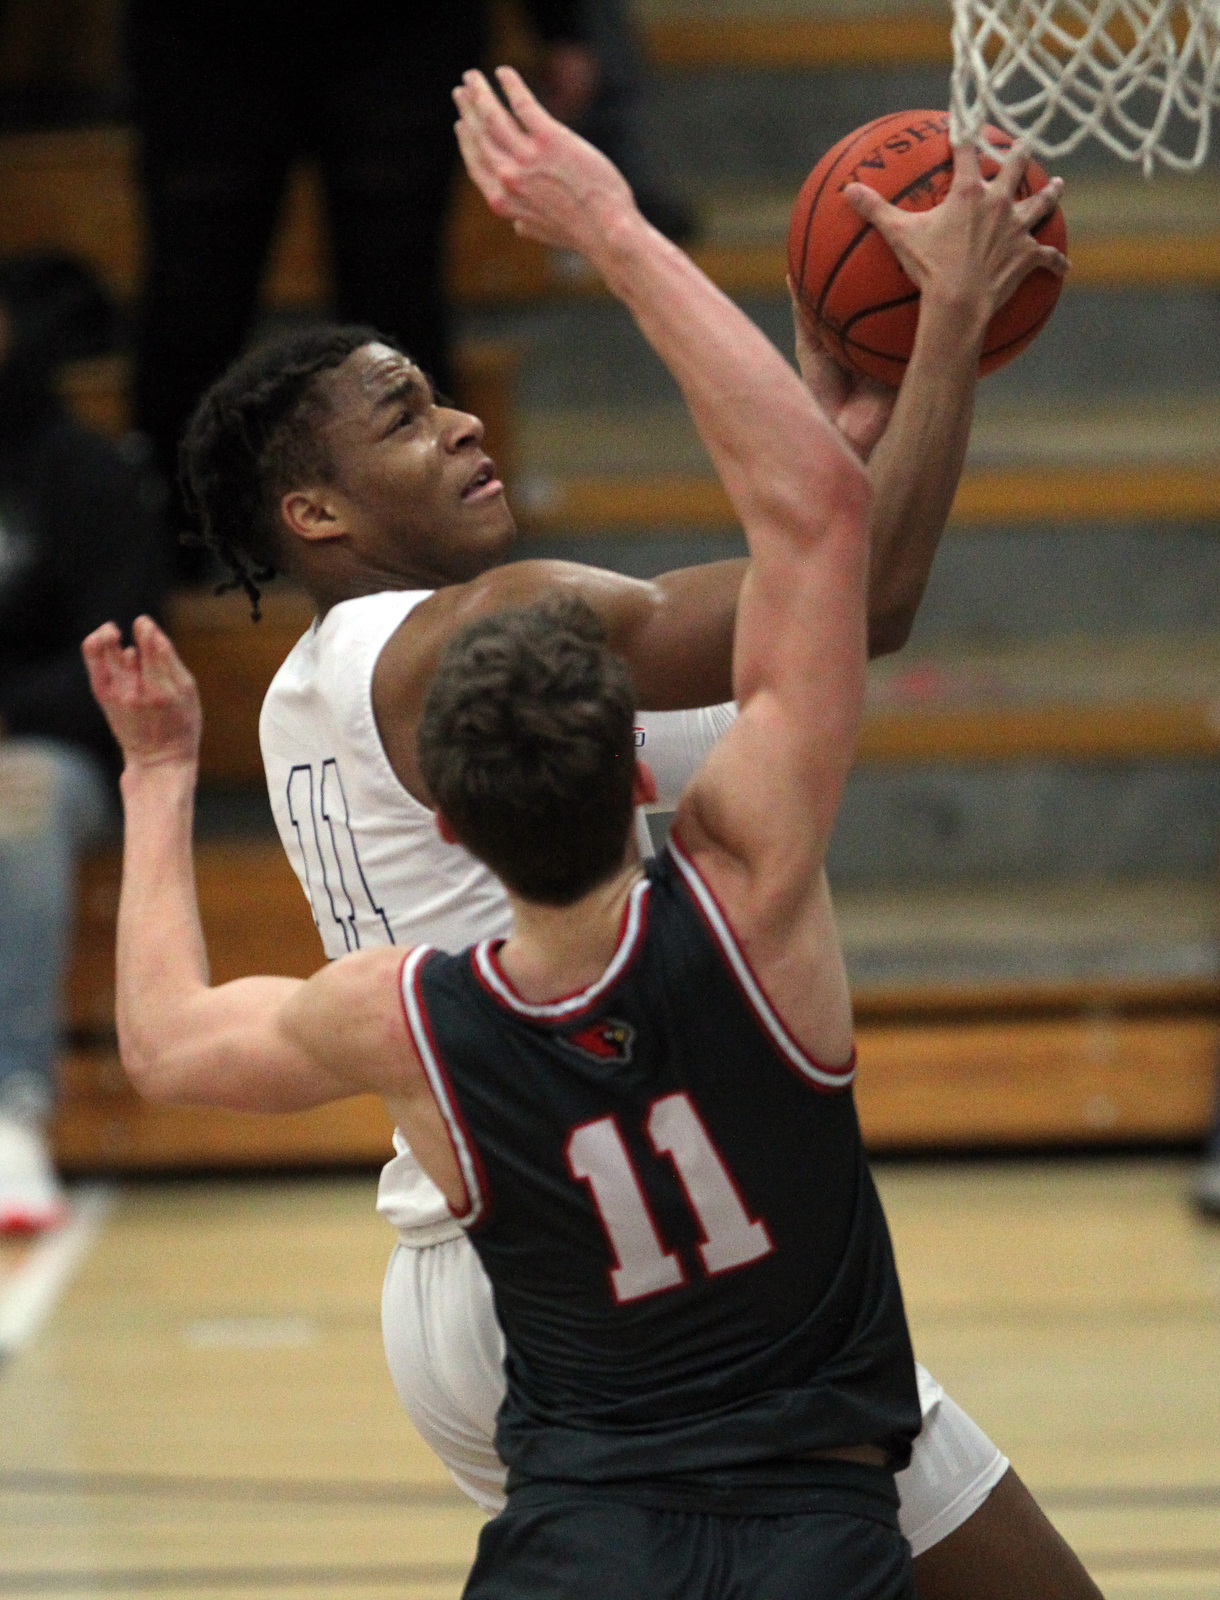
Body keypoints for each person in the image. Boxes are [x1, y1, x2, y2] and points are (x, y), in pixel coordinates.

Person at [165, 75, 1094, 1599]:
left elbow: (812, 633)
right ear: (316, 515)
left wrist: (839, 428)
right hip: (610, 1251)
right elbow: (847, 603)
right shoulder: (482, 627)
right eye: (406, 415)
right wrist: (943, 327)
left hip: (480, 1263)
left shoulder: (308, 697)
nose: (464, 418)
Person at [127, 0, 597, 579]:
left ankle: (435, 557)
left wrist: (561, 25)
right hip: (207, 38)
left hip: (401, 37)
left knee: (398, 305)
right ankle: (160, 558)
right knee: (193, 307)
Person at [0, 254, 165, 1232]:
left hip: (51, 748)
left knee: (16, 803)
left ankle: (12, 1104)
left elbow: (125, 645)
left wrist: (16, 714)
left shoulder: (81, 470)